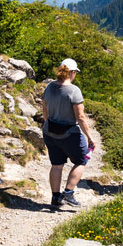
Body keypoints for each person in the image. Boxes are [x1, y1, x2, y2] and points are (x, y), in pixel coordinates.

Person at [41, 58, 95, 208]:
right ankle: (69, 193)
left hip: (50, 131)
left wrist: (48, 124)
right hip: (69, 133)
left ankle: (55, 197)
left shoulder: (49, 87)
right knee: (81, 160)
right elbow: (81, 117)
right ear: (71, 73)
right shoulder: (73, 91)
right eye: (75, 72)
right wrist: (90, 137)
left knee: (57, 164)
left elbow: (44, 109)